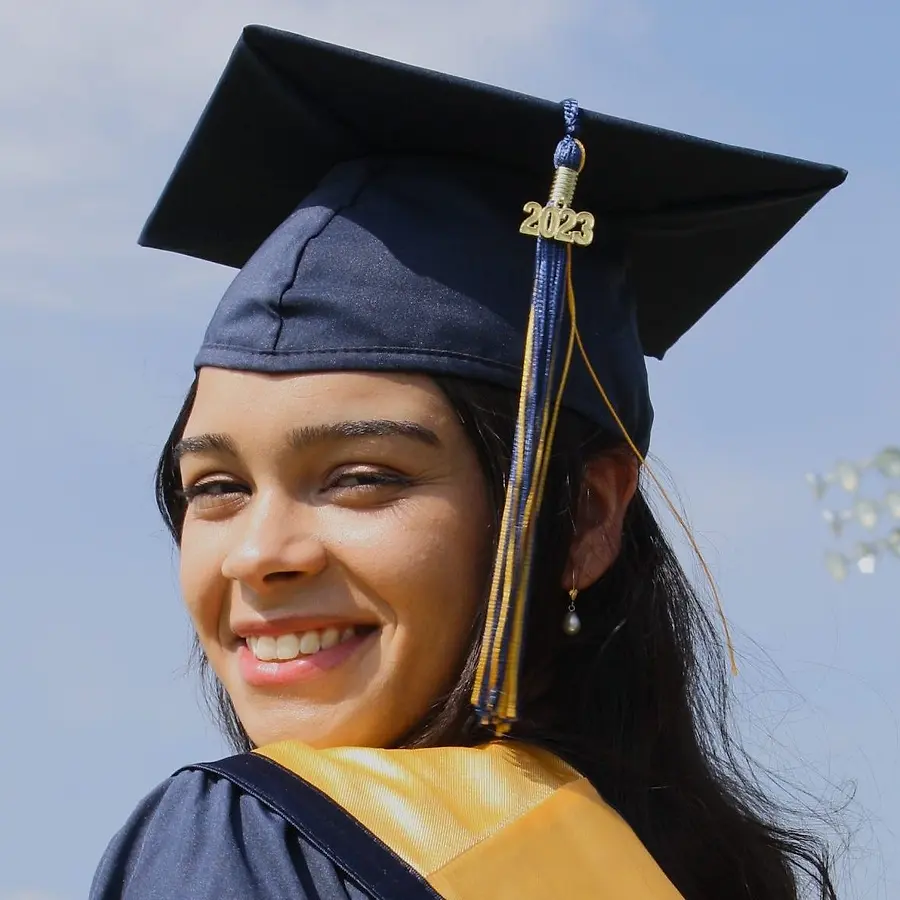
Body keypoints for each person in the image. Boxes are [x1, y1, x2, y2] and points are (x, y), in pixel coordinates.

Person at [89, 23, 846, 900]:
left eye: (363, 476)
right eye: (216, 487)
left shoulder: (248, 842)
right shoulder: (669, 874)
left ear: (588, 515)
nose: (261, 554)